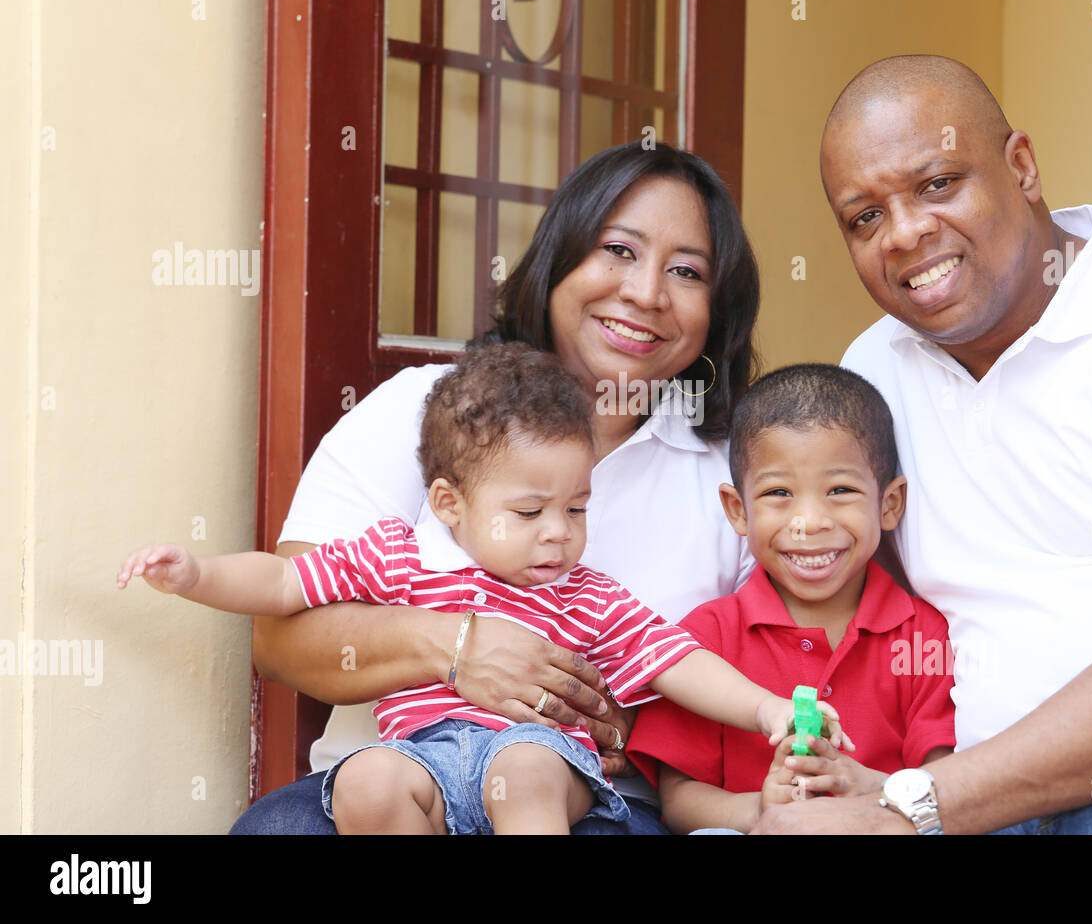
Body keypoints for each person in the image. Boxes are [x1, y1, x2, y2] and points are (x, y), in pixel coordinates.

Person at [753, 55, 1092, 835]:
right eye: (864, 217)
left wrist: (907, 809)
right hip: (976, 802)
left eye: (938, 183)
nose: (906, 232)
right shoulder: (874, 370)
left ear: (1022, 166)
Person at [232, 141, 762, 833]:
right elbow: (278, 641)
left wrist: (640, 731)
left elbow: (773, 682)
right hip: (391, 785)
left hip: (597, 803)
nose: (645, 293)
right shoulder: (422, 410)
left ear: (716, 310)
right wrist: (456, 648)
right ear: (558, 257)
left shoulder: (733, 475)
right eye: (619, 250)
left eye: (687, 271)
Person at [118, 345, 845, 834]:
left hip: (539, 760)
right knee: (366, 780)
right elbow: (283, 582)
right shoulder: (398, 558)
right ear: (449, 503)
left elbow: (677, 660)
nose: (559, 533)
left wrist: (766, 707)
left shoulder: (585, 595)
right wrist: (195, 575)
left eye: (578, 509)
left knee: (524, 767)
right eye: (529, 513)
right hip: (422, 760)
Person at [625, 364, 955, 833]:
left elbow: (947, 784)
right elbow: (678, 801)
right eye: (778, 493)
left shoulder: (922, 636)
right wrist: (760, 810)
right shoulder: (705, 639)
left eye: (840, 490)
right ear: (738, 510)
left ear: (889, 504)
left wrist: (869, 788)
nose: (808, 522)